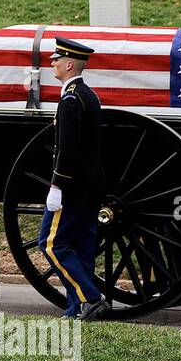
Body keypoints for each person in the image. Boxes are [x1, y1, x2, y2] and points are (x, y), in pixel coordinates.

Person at [39, 37, 109, 321]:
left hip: (72, 186)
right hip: (90, 185)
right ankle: (75, 308)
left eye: (56, 59)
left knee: (52, 244)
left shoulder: (70, 99)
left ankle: (91, 298)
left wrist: (57, 185)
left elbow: (68, 149)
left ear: (69, 64)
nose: (52, 63)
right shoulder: (88, 95)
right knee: (81, 248)